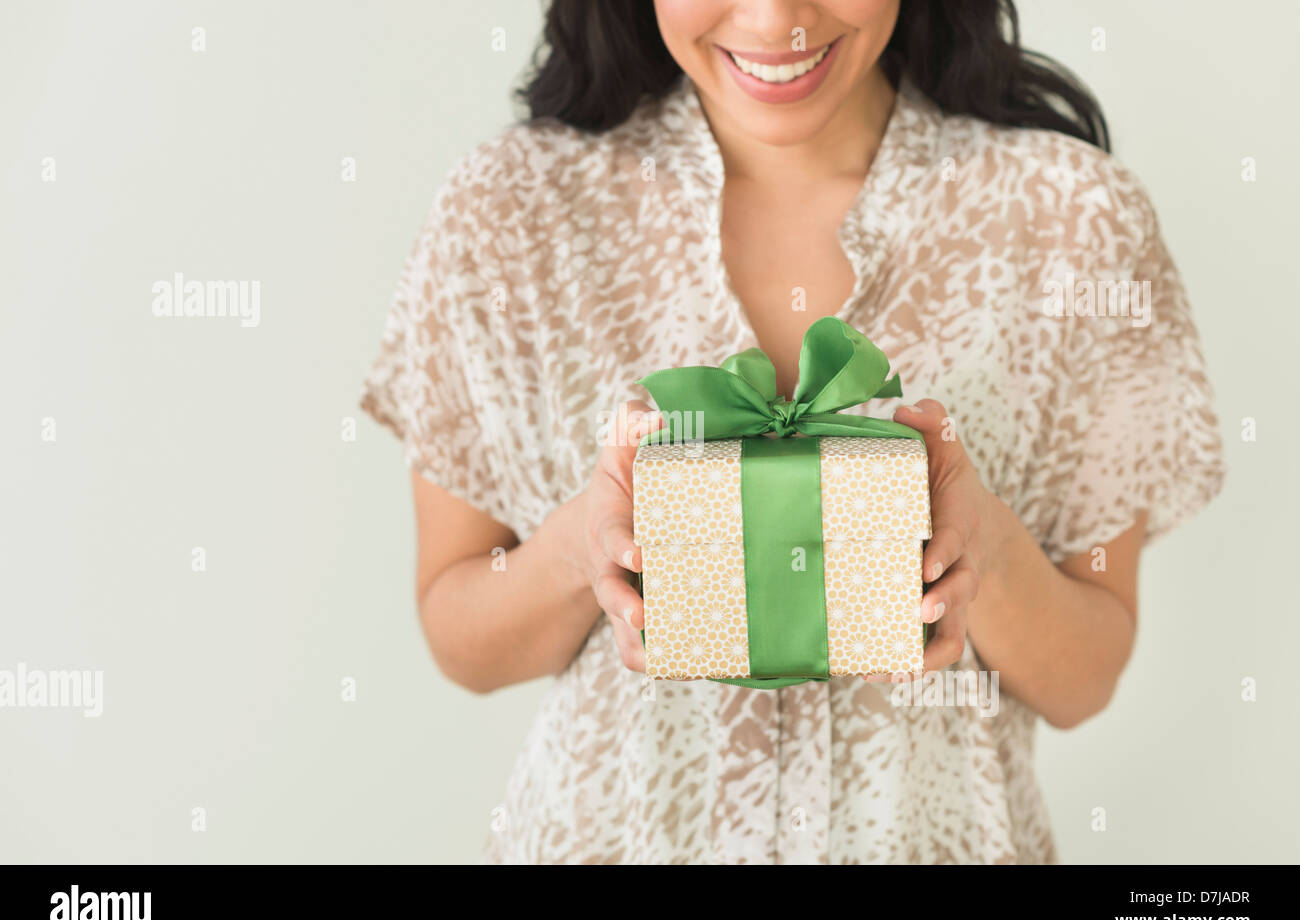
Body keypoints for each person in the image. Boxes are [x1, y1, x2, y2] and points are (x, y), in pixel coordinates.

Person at [361, 0, 1226, 863]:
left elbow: (1086, 677)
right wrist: (579, 551)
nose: (778, 21)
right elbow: (459, 634)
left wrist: (984, 553)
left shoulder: (1076, 218)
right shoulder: (511, 212)